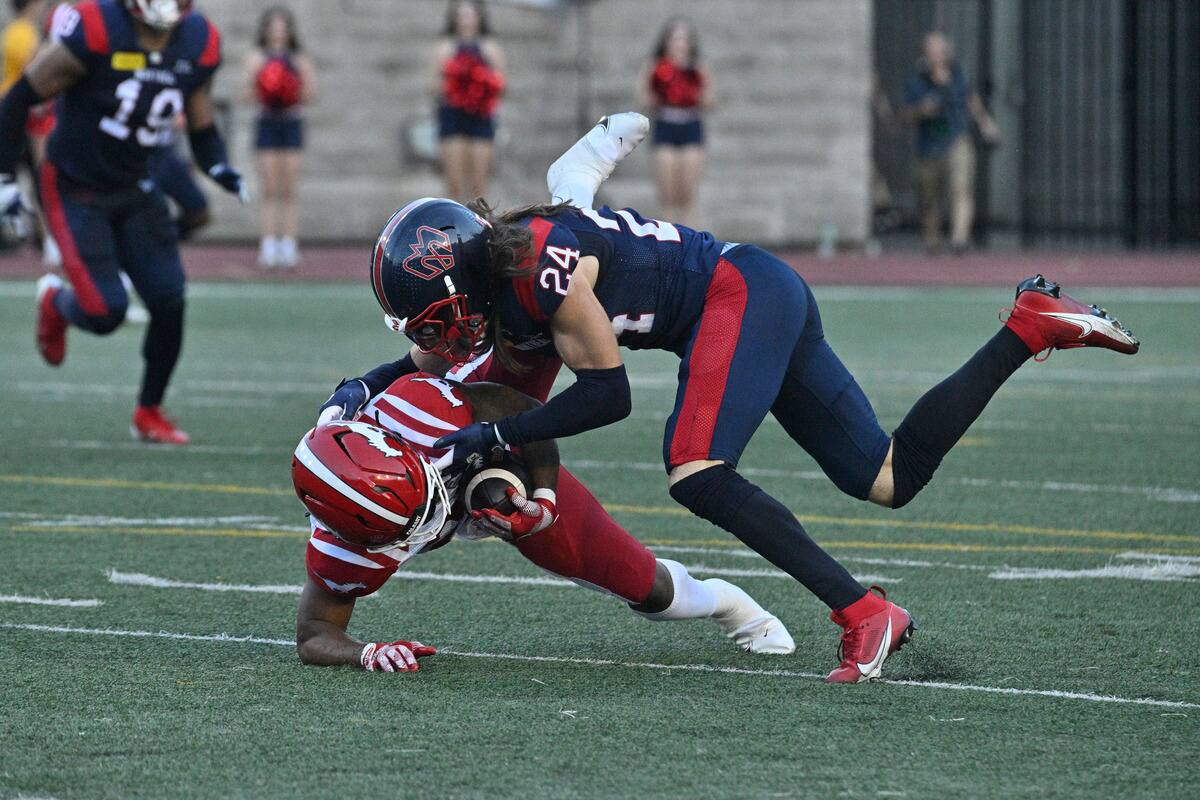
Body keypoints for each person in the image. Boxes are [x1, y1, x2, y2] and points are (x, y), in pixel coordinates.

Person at [325, 114, 1141, 683]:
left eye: (439, 314)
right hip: (755, 293)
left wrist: (488, 446)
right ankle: (1029, 327)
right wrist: (364, 388)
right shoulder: (504, 283)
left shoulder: (544, 273)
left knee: (695, 470)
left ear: (468, 277)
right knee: (887, 476)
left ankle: (863, 613)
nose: (436, 335)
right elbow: (447, 371)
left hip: (737, 294)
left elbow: (607, 398)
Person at [296, 371, 795, 672]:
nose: (432, 523)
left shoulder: (422, 411)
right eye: (408, 526)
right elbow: (315, 632)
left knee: (650, 589)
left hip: (480, 451)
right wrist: (365, 652)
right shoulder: (343, 547)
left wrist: (543, 496)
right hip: (433, 467)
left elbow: (522, 411)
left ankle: (728, 603)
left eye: (425, 504)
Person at [0, 0, 246, 444]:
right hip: (75, 185)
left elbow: (200, 119)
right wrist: (3, 178)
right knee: (105, 310)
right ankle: (55, 301)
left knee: (169, 301)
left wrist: (218, 167)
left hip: (139, 185)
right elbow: (17, 98)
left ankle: (148, 411)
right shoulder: (96, 28)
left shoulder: (199, 41)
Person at [902, 31, 999, 254]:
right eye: (931, 49)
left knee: (961, 188)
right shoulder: (917, 80)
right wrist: (921, 110)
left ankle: (959, 239)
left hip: (956, 138)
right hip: (928, 145)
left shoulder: (958, 75)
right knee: (929, 198)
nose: (936, 54)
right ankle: (932, 239)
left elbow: (970, 100)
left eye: (940, 49)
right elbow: (904, 113)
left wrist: (986, 124)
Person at [243, 5, 313, 269]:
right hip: (267, 122)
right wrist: (266, 84)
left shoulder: (298, 58)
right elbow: (246, 94)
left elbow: (310, 94)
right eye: (273, 26)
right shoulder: (256, 57)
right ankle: (269, 244)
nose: (278, 32)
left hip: (291, 121)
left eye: (282, 27)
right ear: (265, 29)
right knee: (270, 187)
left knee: (289, 188)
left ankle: (289, 244)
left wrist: (289, 87)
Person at [638, 18, 711, 230]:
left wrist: (691, 88)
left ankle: (694, 246)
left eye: (684, 39)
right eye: (675, 38)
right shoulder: (655, 68)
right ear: (666, 42)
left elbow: (710, 100)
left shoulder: (698, 68)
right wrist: (662, 86)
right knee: (668, 195)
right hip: (666, 125)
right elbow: (644, 100)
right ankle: (669, 247)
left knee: (687, 193)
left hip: (690, 125)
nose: (680, 44)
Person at [433, 0, 503, 203]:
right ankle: (454, 231)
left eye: (470, 14)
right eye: (461, 15)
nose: (466, 20)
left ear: (479, 18)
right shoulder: (445, 48)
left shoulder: (490, 48)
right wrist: (458, 85)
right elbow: (434, 84)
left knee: (479, 187)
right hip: (453, 117)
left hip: (481, 118)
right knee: (453, 185)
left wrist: (479, 83)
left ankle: (482, 231)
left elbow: (501, 84)